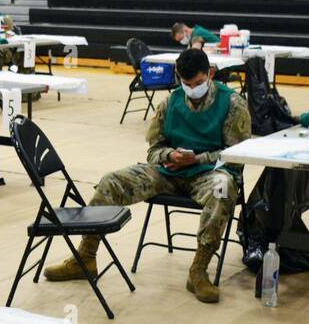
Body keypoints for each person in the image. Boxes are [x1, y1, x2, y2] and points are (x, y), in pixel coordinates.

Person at [44, 49, 250, 304]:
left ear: (210, 73)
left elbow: (237, 154)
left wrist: (198, 159)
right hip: (169, 172)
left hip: (209, 175)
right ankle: (85, 257)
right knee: (111, 181)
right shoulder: (170, 103)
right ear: (178, 77)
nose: (191, 89)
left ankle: (198, 271)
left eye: (197, 83)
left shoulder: (232, 103)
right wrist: (169, 155)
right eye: (186, 84)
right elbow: (153, 151)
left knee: (223, 188)